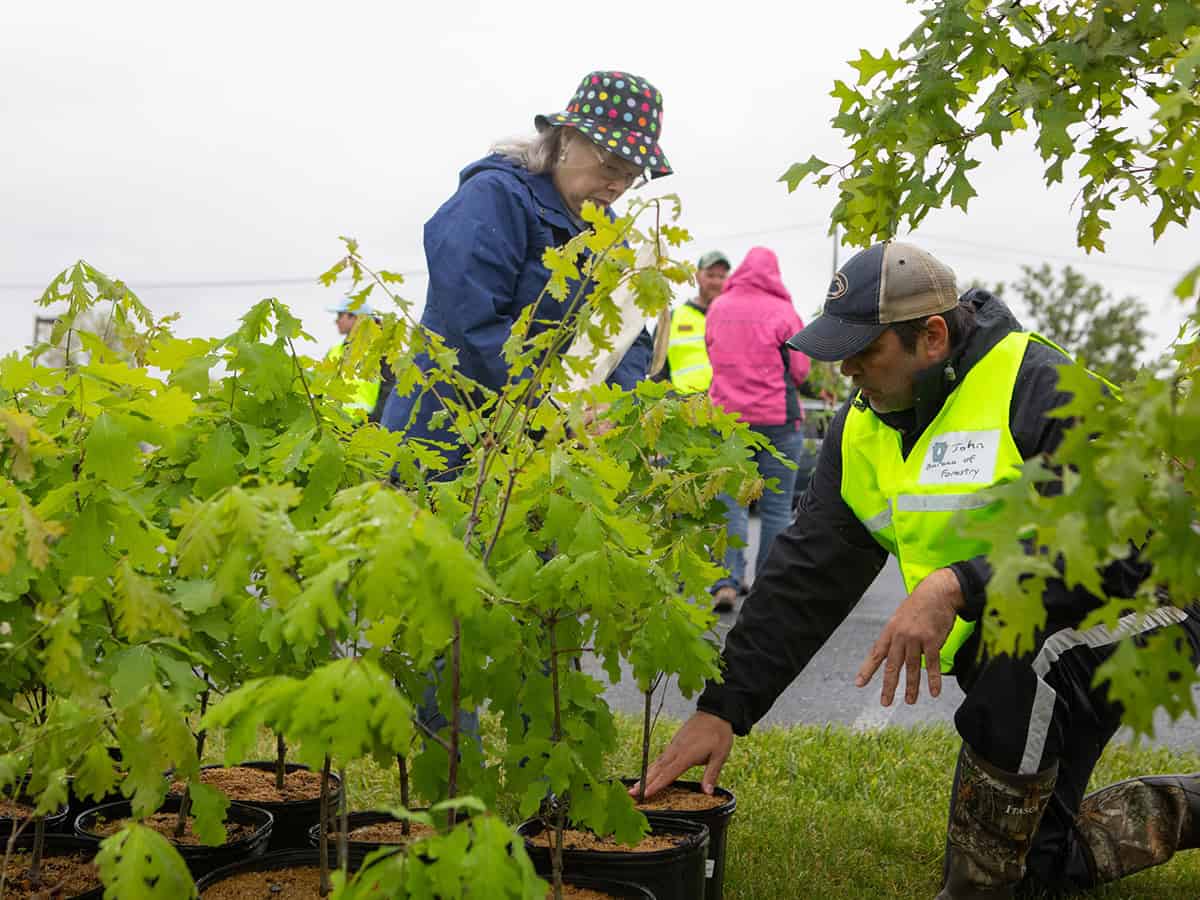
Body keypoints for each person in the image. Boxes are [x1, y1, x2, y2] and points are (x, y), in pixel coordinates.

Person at [635, 240, 1200, 898]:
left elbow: (1116, 532)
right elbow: (804, 578)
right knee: (1041, 869)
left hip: (1149, 607)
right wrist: (723, 708)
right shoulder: (860, 430)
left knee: (1017, 653)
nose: (846, 369)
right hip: (1031, 642)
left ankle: (974, 890)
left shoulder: (1041, 385)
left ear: (932, 337)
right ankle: (1182, 809)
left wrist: (960, 581)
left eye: (864, 350)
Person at [380, 69, 672, 475]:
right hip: (448, 438)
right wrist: (549, 411)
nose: (618, 185)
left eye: (631, 175)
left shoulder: (610, 237)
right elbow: (471, 324)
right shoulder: (495, 198)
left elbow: (627, 334)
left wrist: (609, 406)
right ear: (566, 139)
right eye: (612, 166)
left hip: (542, 455)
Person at [704, 246, 810, 613]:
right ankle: (767, 586)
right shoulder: (784, 312)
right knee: (777, 508)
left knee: (729, 503)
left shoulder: (718, 307)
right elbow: (800, 370)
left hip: (728, 420)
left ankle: (727, 583)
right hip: (778, 420)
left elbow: (712, 354)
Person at [655, 250, 731, 392]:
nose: (716, 281)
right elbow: (656, 372)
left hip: (726, 408)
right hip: (684, 407)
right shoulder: (672, 319)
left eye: (722, 276)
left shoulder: (736, 321)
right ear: (697, 276)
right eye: (710, 275)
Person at [324, 298, 396, 425]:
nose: (336, 321)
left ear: (358, 318)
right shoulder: (334, 351)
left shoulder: (381, 353)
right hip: (330, 428)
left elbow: (388, 393)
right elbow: (319, 387)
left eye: (341, 316)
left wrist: (372, 423)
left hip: (361, 429)